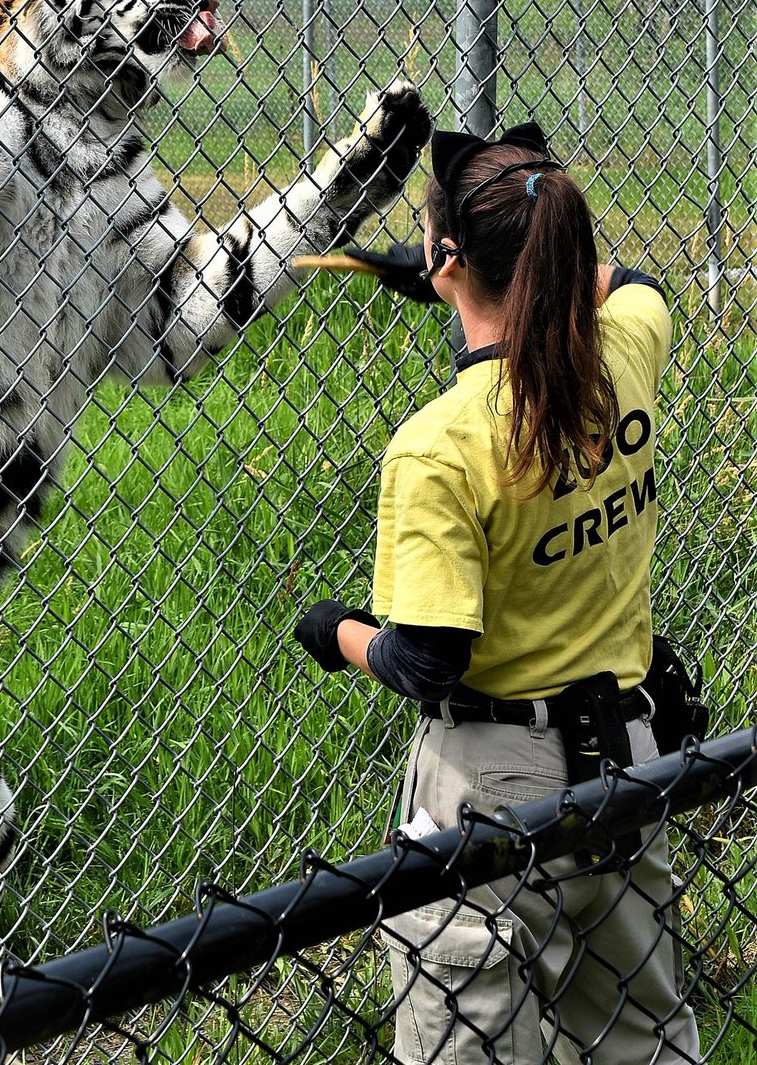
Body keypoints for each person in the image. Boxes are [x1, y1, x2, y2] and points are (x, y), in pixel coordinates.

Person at [295, 122, 700, 1062]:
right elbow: (626, 284)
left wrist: (338, 630)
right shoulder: (625, 353)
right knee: (641, 1037)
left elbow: (429, 656)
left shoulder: (438, 445)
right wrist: (464, 267)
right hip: (631, 762)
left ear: (446, 261)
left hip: (495, 787)